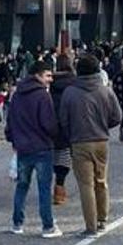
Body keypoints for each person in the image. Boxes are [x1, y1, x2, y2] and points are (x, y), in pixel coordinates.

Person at [58, 54, 122, 237]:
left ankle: (90, 226)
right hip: (101, 141)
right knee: (101, 181)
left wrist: (71, 134)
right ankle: (102, 219)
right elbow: (117, 116)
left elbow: (63, 120)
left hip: (79, 141)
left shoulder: (70, 92)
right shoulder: (105, 90)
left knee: (86, 185)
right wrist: (103, 125)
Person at [5, 60, 61, 237]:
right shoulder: (43, 96)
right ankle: (47, 225)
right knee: (44, 188)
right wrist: (56, 135)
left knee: (22, 186)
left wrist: (13, 139)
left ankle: (17, 223)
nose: (50, 79)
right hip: (42, 147)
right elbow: (48, 123)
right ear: (38, 75)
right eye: (48, 75)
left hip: (23, 147)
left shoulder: (17, 95)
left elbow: (10, 120)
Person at [50, 53, 76, 206]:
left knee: (55, 155)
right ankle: (60, 186)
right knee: (66, 157)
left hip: (53, 123)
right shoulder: (75, 82)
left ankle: (57, 188)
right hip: (70, 124)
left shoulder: (51, 82)